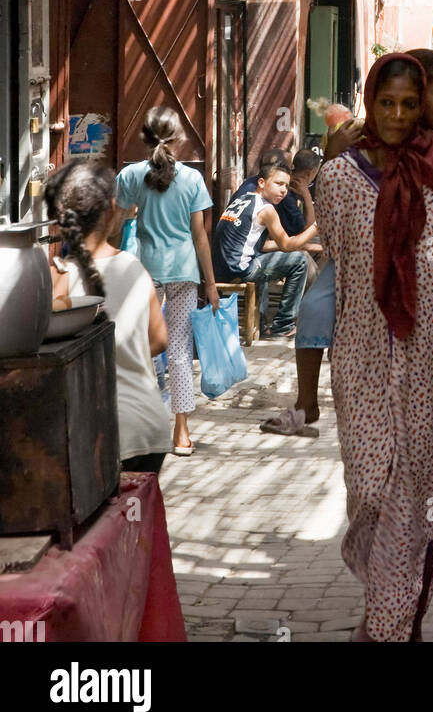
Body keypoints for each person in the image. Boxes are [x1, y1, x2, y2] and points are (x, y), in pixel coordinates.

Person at [264, 48, 433, 436]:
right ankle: (306, 404)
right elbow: (332, 201)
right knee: (313, 308)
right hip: (364, 257)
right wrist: (331, 155)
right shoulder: (357, 143)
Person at [314, 53, 433, 642]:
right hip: (363, 351)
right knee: (372, 486)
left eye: (410, 104)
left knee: (425, 488)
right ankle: (392, 606)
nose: (397, 114)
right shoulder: (337, 179)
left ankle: (391, 623)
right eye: (386, 102)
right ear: (369, 100)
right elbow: (337, 258)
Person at [46, 162, 171, 472]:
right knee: (137, 519)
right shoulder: (134, 268)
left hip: (95, 432)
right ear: (112, 211)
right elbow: (158, 340)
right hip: (148, 424)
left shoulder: (55, 278)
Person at [115, 108, 219, 457]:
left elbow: (116, 227)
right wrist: (212, 284)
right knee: (178, 351)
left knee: (141, 347)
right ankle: (182, 431)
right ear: (178, 138)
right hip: (185, 274)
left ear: (144, 137)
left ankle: (142, 423)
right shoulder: (192, 180)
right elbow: (200, 236)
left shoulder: (130, 175)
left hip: (144, 274)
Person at [213, 156, 315, 340]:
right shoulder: (266, 210)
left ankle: (260, 323)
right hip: (237, 268)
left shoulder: (243, 199)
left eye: (286, 185)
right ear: (261, 182)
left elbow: (257, 244)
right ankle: (283, 325)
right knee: (299, 260)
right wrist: (316, 227)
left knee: (269, 259)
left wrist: (302, 243)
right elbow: (286, 245)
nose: (283, 190)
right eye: (278, 184)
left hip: (219, 267)